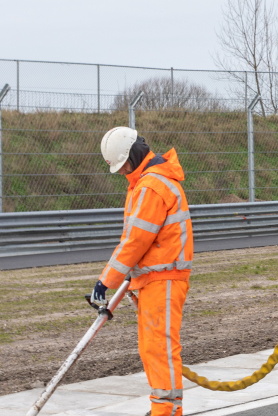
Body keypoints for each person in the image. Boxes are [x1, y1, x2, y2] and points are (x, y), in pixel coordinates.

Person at [92, 127, 192, 416]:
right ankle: (163, 408)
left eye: (124, 165)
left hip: (164, 277)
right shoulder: (146, 182)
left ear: (134, 155)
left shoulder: (151, 186)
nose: (123, 171)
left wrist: (106, 280)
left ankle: (167, 411)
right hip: (154, 277)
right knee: (152, 348)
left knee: (160, 348)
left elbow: (137, 239)